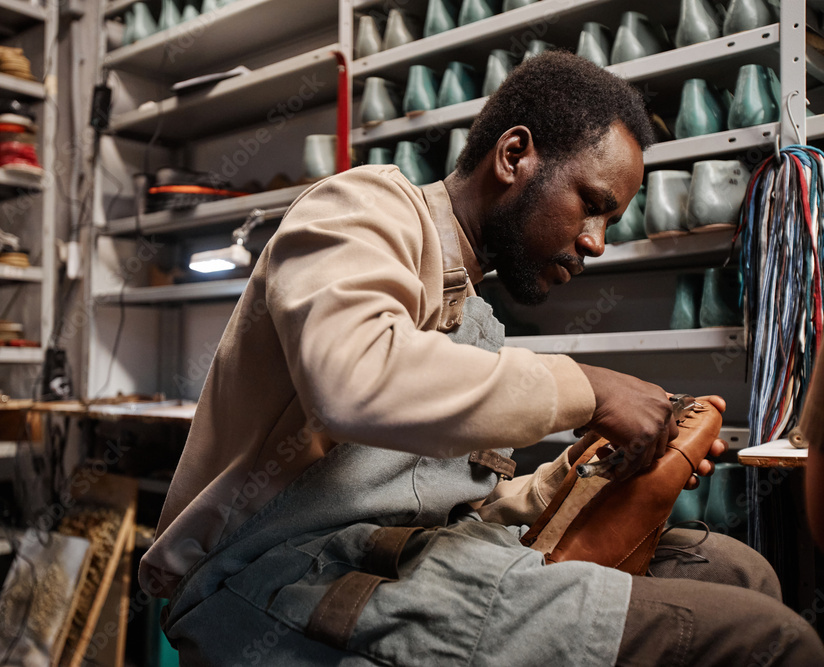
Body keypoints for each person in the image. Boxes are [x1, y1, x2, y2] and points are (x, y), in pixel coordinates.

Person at [140, 52, 824, 665]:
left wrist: (567, 481)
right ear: (514, 155)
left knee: (741, 572)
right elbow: (351, 384)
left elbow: (440, 508)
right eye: (591, 206)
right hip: (267, 576)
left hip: (394, 558)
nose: (597, 242)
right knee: (772, 641)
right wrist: (589, 387)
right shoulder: (360, 209)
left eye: (609, 222)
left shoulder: (477, 320)